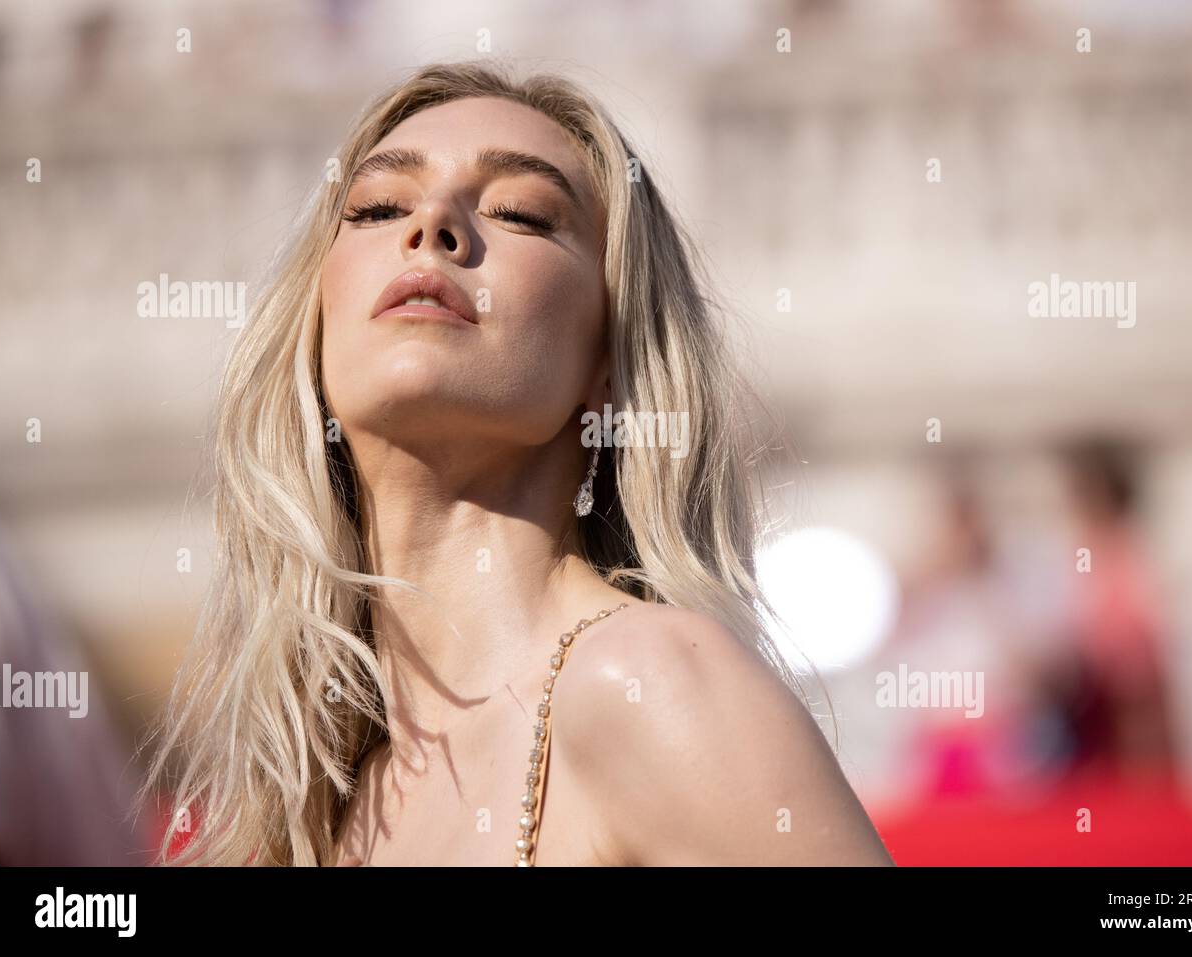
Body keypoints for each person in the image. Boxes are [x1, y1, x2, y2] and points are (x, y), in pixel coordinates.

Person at [139, 61, 893, 867]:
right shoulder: (310, 804)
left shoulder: (648, 683)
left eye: (523, 213)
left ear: (610, 354)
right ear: (315, 321)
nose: (432, 223)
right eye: (378, 206)